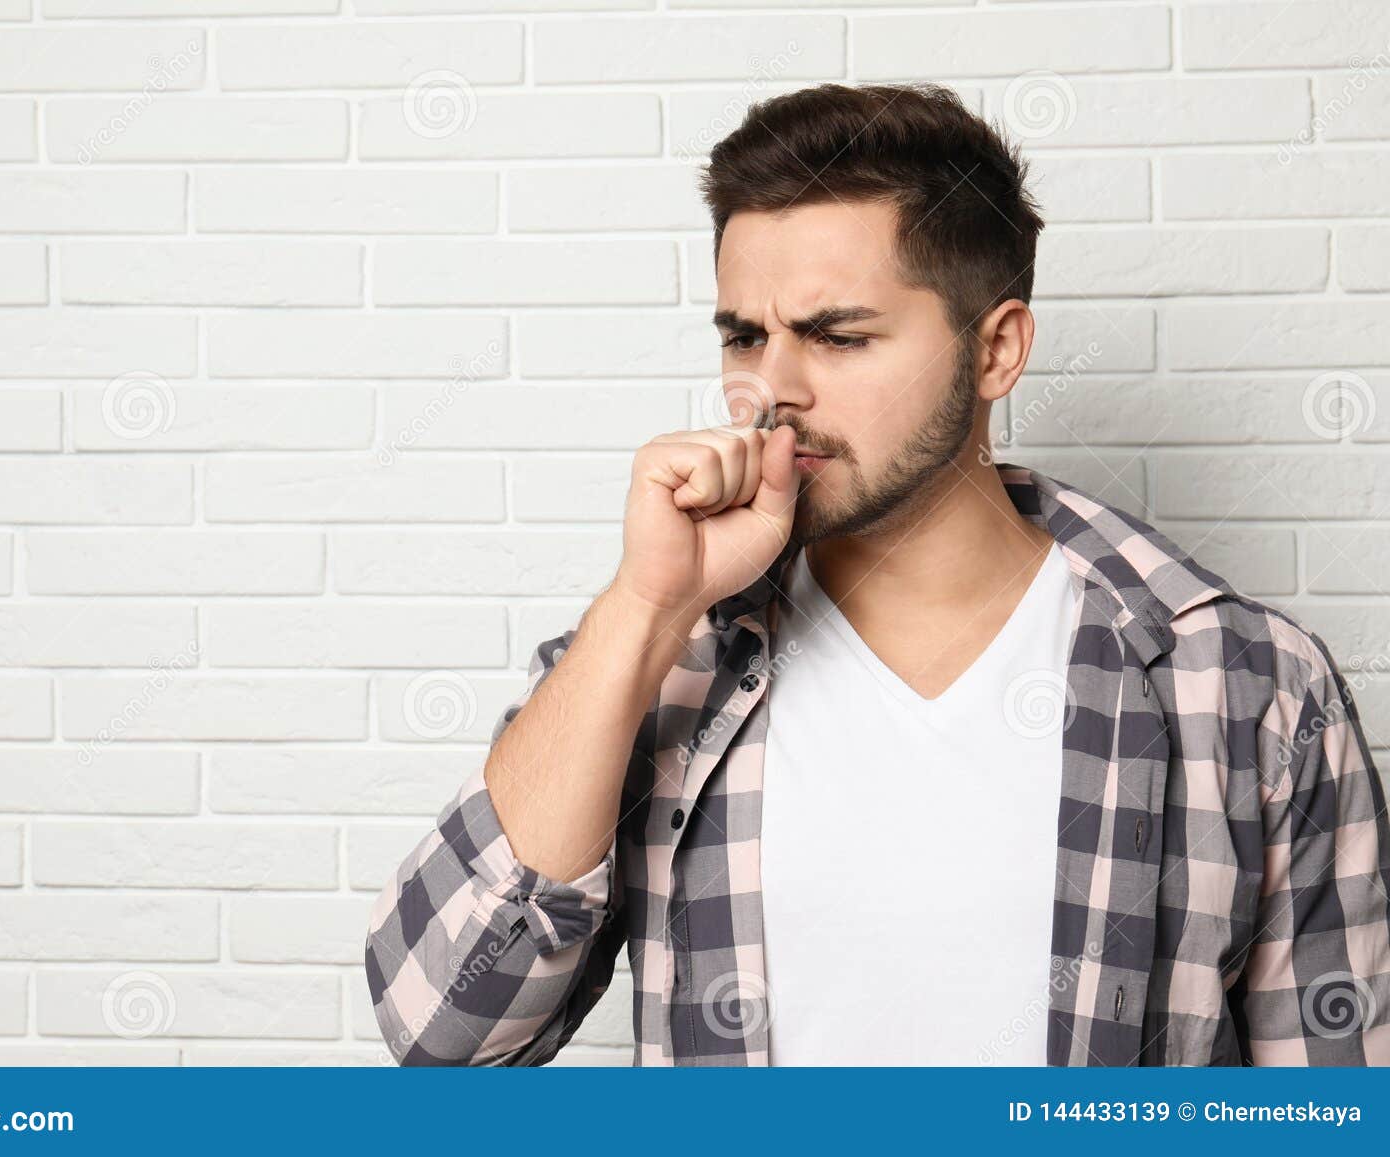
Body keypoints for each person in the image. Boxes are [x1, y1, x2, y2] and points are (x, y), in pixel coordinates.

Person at [364, 83, 1390, 1066]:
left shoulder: (1239, 683)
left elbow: (1328, 1106)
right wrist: (644, 608)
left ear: (996, 350)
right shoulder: (663, 655)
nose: (771, 393)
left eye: (837, 336)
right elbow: (444, 1032)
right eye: (744, 336)